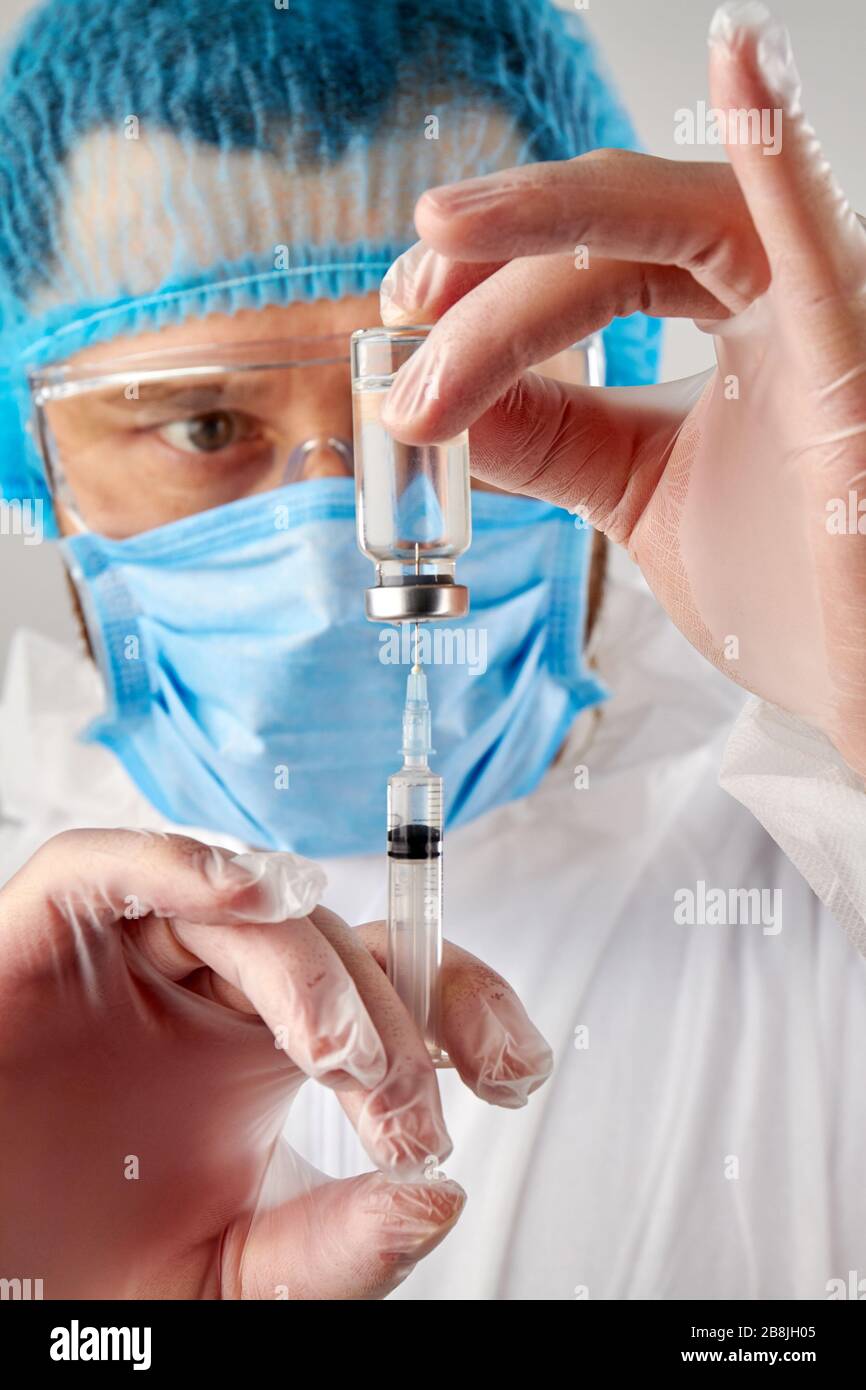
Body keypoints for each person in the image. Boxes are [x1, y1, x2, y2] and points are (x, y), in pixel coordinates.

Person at [0, 0, 864, 1301]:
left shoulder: (819, 869)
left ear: (614, 369)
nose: (335, 544)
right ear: (36, 456)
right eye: (201, 422)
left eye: (447, 413)